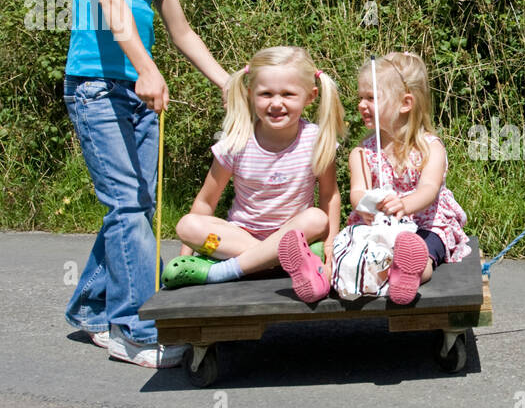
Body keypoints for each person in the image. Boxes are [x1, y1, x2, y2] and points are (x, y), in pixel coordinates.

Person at [63, 0, 230, 369]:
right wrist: (147, 67)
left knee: (134, 202)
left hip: (138, 91)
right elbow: (113, 9)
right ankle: (134, 329)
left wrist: (225, 81)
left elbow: (181, 30)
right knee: (129, 207)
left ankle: (92, 307)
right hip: (97, 87)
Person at [161, 46, 345, 304]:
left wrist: (329, 247)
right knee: (188, 225)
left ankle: (223, 271)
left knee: (315, 218)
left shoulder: (316, 140)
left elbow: (329, 195)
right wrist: (188, 253)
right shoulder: (236, 141)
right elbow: (205, 202)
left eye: (288, 94)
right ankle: (283, 261)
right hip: (236, 239)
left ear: (310, 96)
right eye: (266, 94)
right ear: (250, 93)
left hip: (294, 234)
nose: (276, 103)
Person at [343, 52, 470, 304]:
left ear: (405, 103)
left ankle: (409, 274)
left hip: (424, 226)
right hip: (380, 227)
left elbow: (429, 189)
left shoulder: (430, 147)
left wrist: (405, 204)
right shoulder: (362, 152)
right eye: (360, 97)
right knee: (354, 249)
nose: (361, 105)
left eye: (371, 98)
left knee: (421, 253)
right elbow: (357, 190)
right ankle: (325, 270)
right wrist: (364, 205)